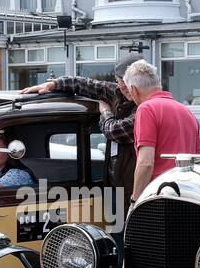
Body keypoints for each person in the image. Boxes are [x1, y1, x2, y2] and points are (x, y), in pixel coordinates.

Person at [19, 52, 144, 199]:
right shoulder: (117, 93)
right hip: (115, 180)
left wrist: (105, 113)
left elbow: (116, 131)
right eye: (120, 82)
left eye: (128, 84)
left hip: (136, 186)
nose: (124, 88)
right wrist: (53, 84)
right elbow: (84, 84)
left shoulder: (144, 108)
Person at [121, 60, 200, 202]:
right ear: (158, 85)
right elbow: (197, 162)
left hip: (160, 194)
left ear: (134, 89)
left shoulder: (146, 109)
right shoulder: (187, 112)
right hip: (189, 195)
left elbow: (146, 163)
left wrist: (136, 199)